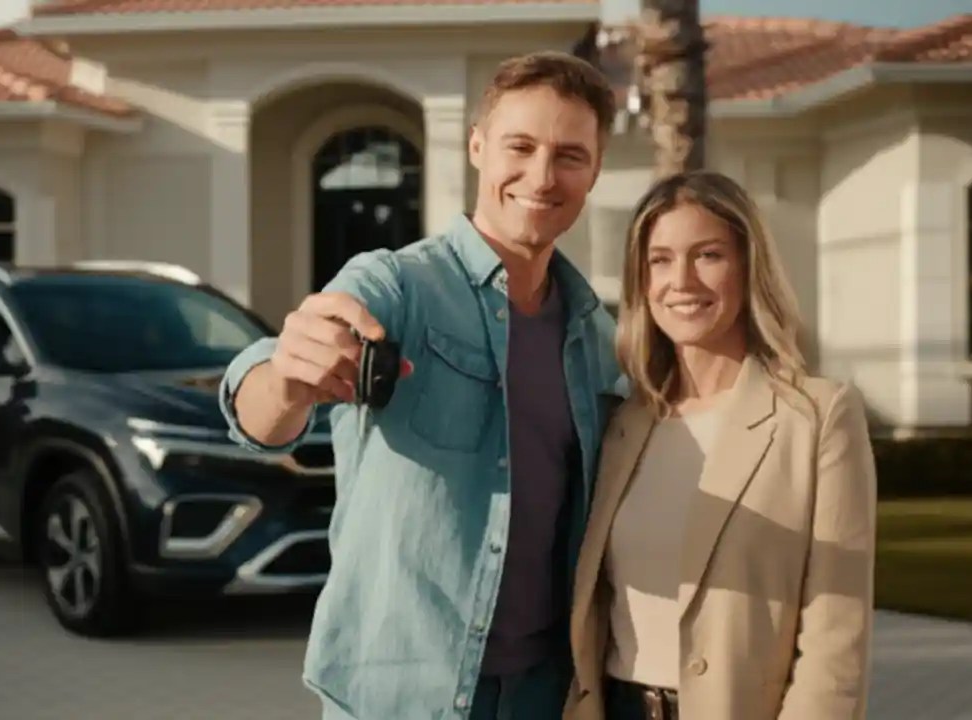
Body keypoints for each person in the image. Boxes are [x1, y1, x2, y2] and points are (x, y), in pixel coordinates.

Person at [218, 51, 626, 719]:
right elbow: (261, 409)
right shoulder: (395, 285)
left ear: (595, 170)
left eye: (570, 155)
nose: (542, 176)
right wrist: (287, 378)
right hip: (395, 698)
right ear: (477, 147)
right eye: (519, 146)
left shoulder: (598, 340)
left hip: (544, 693)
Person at [564, 170, 877, 720]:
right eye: (659, 260)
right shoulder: (623, 423)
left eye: (707, 255)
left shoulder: (818, 417)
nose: (680, 280)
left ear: (747, 267)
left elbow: (836, 639)